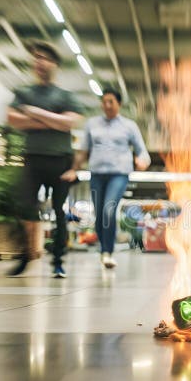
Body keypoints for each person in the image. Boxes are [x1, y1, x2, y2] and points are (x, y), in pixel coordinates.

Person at [6, 41, 84, 278]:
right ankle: (25, 254)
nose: (39, 61)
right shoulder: (24, 93)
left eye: (44, 58)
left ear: (55, 64)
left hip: (60, 161)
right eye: (36, 57)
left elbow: (70, 123)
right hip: (32, 159)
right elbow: (13, 119)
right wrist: (53, 121)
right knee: (24, 206)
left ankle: (58, 261)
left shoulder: (66, 96)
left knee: (59, 211)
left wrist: (35, 113)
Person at [62, 88, 150, 268]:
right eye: (104, 102)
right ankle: (104, 248)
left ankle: (107, 252)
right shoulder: (92, 124)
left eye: (111, 101)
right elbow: (83, 151)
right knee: (100, 214)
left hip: (119, 174)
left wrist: (142, 161)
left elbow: (142, 151)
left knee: (109, 210)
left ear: (119, 104)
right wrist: (73, 169)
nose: (107, 105)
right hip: (97, 175)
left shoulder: (129, 126)